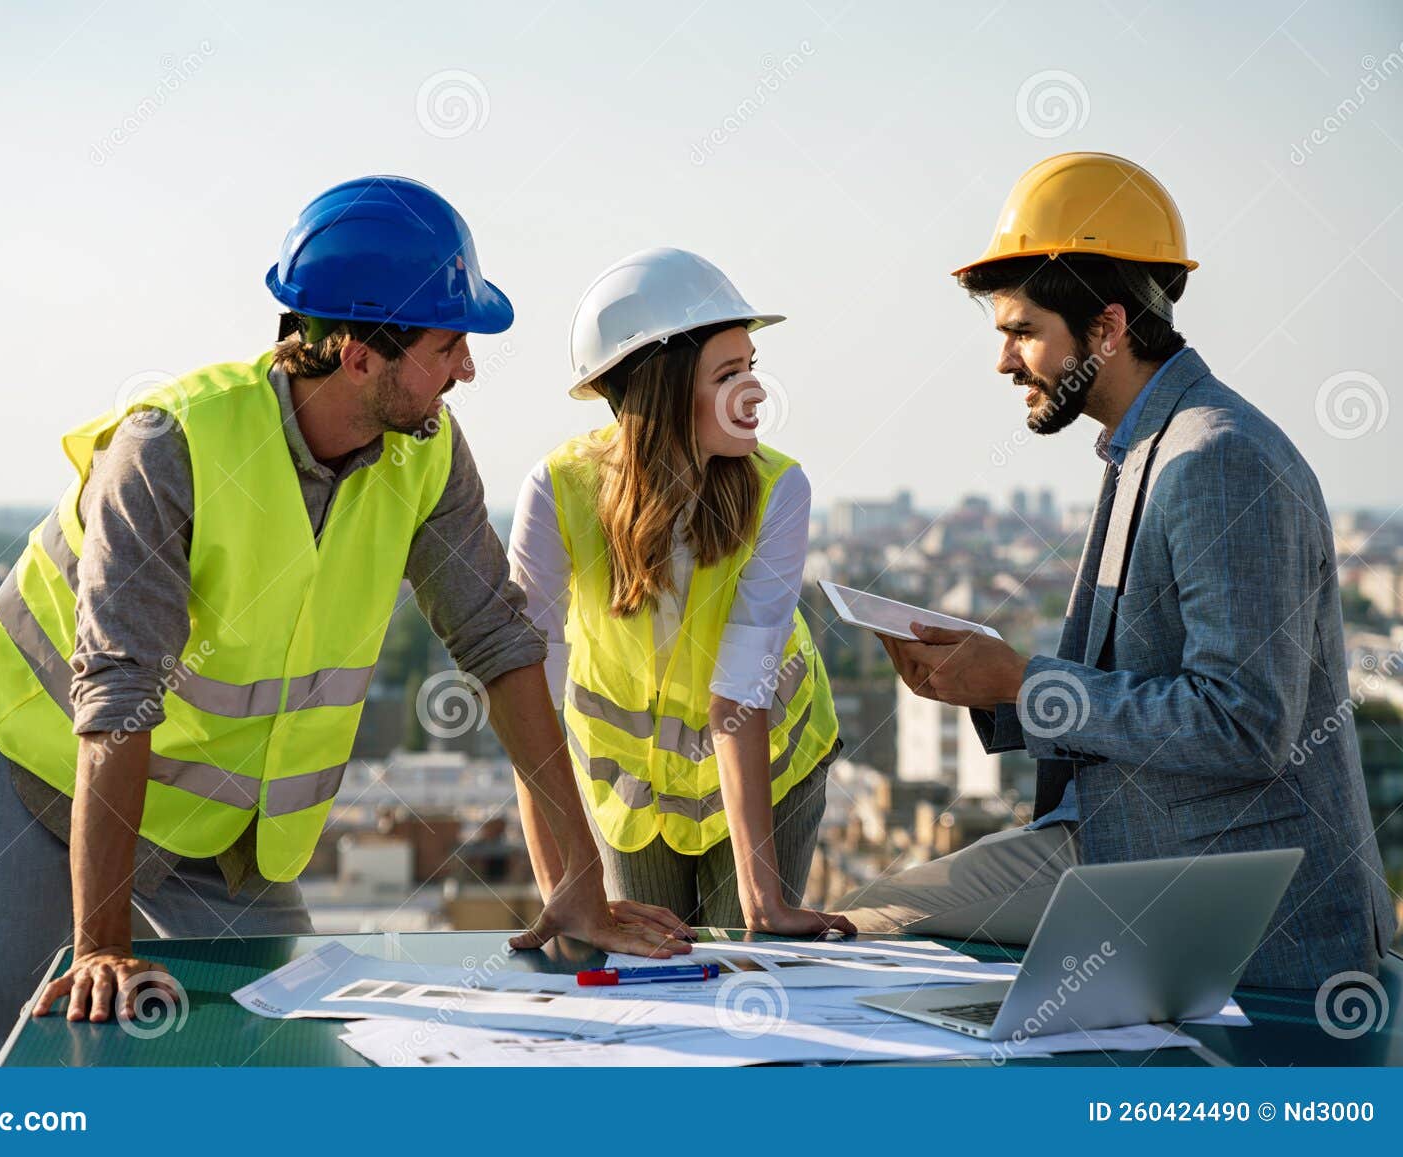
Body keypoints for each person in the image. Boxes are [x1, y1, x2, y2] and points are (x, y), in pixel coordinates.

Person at [0, 176, 690, 1067]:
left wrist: (577, 886)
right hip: (40, 771)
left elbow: (502, 647)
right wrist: (100, 941)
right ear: (357, 355)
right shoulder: (170, 449)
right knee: (22, 1059)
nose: (468, 369)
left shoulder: (428, 457)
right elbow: (119, 694)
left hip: (217, 823)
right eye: (450, 345)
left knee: (284, 1043)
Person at [837, 152, 1396, 989]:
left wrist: (1026, 682)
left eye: (1022, 331)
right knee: (870, 919)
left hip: (1221, 896)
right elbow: (1146, 684)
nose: (1004, 361)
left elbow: (1246, 722)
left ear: (1105, 330)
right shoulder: (1149, 444)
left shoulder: (1216, 459)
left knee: (860, 928)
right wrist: (987, 682)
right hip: (1128, 846)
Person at [508, 248, 850, 934]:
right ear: (661, 388)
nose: (756, 392)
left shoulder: (780, 490)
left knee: (743, 963)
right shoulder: (556, 490)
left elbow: (740, 691)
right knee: (647, 970)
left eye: (752, 369)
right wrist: (561, 890)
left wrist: (764, 903)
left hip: (769, 774)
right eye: (729, 375)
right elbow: (526, 692)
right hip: (630, 793)